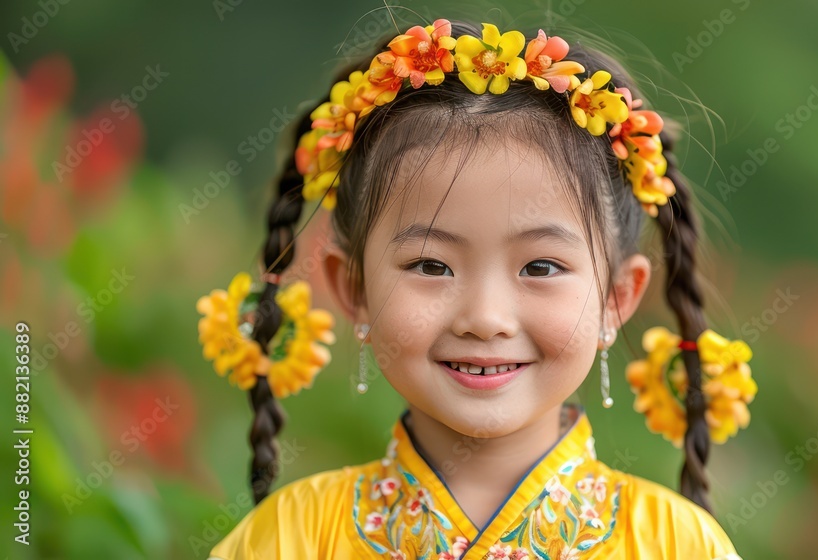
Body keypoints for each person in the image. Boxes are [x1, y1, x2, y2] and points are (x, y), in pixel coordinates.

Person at [196, 16, 757, 559]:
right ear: (355, 288)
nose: (485, 317)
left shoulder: (679, 547)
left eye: (541, 267)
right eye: (431, 266)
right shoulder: (286, 540)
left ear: (616, 297)